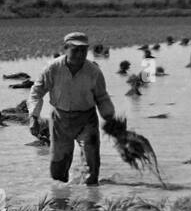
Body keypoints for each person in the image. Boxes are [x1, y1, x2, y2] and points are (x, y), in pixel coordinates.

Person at [28, 32, 122, 185]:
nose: (80, 54)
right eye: (75, 50)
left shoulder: (93, 71)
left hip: (87, 120)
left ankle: (90, 203)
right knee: (58, 173)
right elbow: (36, 93)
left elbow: (102, 97)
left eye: (83, 50)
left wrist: (110, 117)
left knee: (91, 168)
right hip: (60, 120)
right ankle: (62, 200)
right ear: (65, 48)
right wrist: (33, 117)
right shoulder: (53, 68)